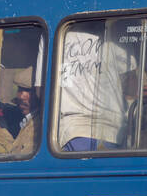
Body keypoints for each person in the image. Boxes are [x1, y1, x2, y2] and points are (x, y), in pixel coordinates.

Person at [57, 20, 137, 152]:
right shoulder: (118, 37)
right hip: (111, 132)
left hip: (70, 132)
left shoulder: (60, 35)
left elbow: (42, 91)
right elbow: (131, 85)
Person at [0, 73, 40, 156]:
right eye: (20, 90)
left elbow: (17, 156)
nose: (21, 96)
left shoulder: (37, 124)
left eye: (28, 91)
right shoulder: (26, 119)